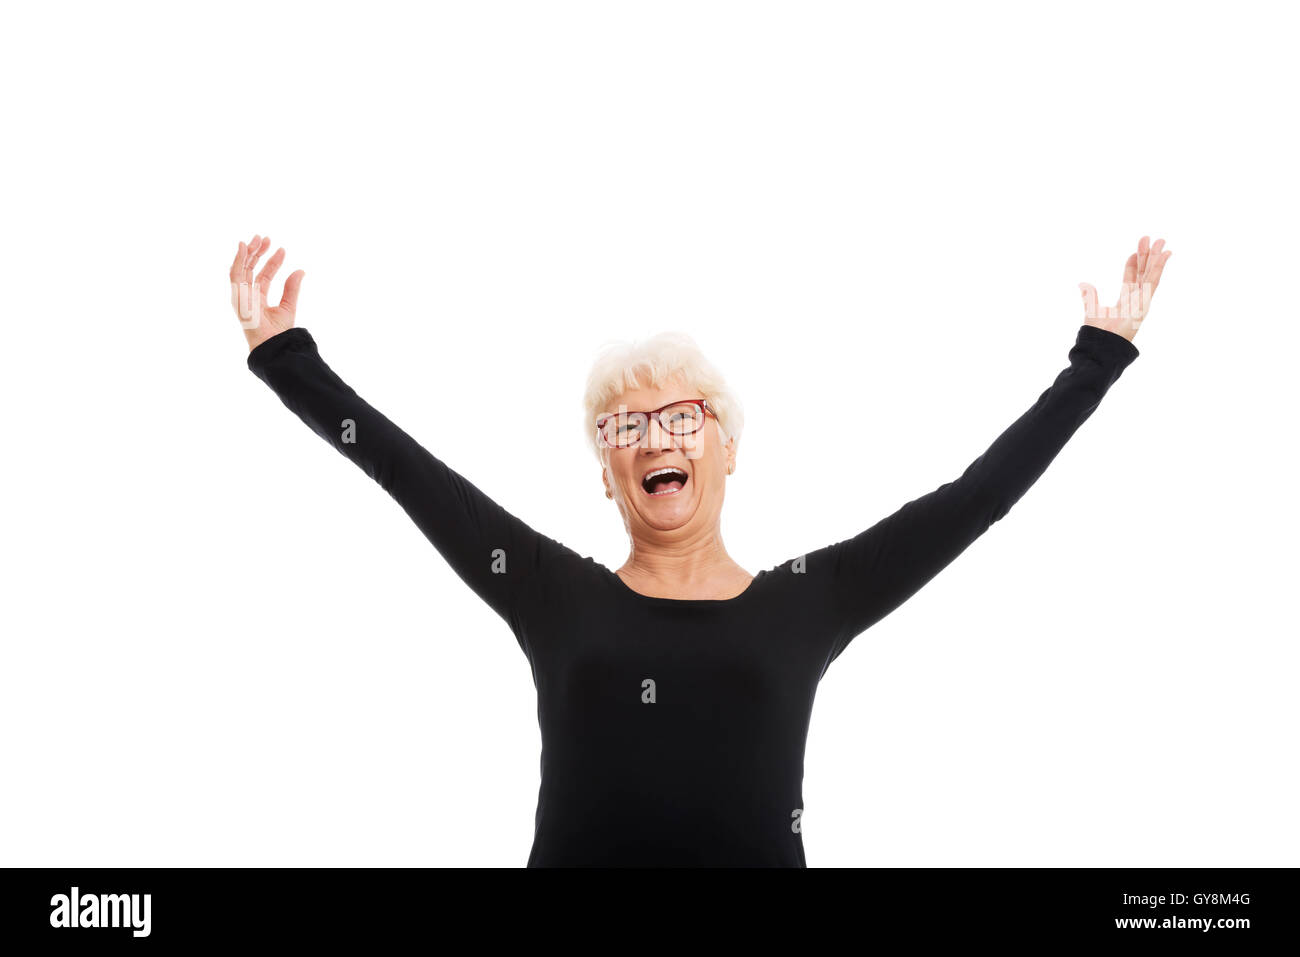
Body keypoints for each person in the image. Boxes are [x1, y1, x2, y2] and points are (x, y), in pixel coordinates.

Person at [229, 234, 1171, 866]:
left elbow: (978, 499)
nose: (655, 436)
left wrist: (1096, 359)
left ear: (728, 447)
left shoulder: (813, 596)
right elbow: (408, 473)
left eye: (684, 416)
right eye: (624, 425)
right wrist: (286, 359)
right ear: (607, 472)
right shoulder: (554, 592)